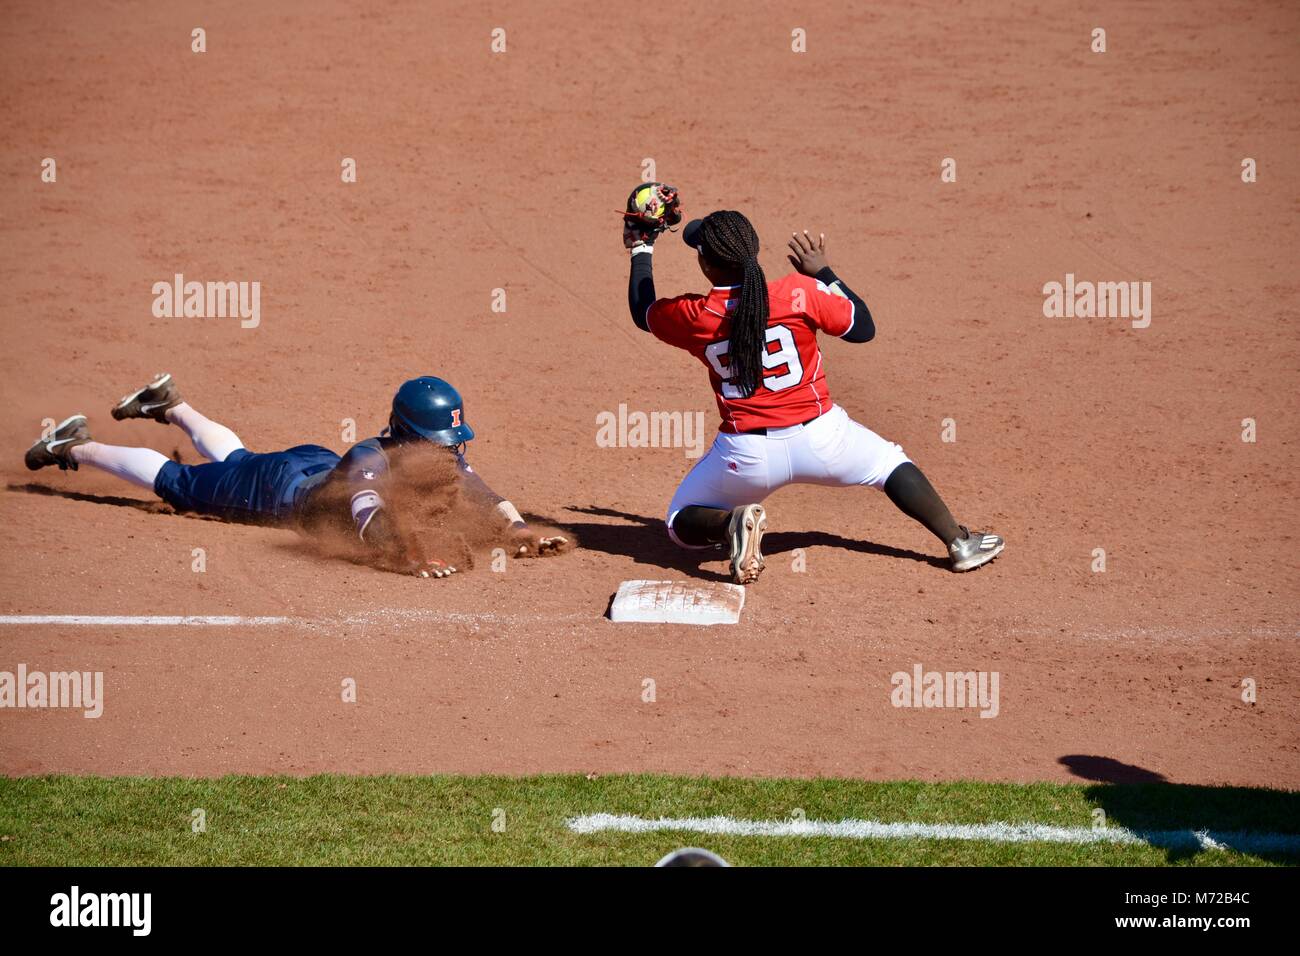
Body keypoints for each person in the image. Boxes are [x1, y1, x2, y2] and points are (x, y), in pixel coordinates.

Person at [624, 203, 1004, 584]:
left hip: (747, 457)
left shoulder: (696, 315)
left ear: (706, 266)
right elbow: (863, 327)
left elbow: (643, 311)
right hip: (825, 440)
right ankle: (959, 543)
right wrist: (823, 272)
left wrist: (642, 246)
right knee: (889, 464)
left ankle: (731, 524)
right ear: (753, 251)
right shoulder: (799, 293)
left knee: (679, 519)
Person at [24, 373, 564, 576]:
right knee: (181, 486)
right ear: (409, 432)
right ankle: (76, 444)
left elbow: (476, 486)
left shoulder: (423, 453)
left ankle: (172, 406)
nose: (447, 452)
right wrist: (410, 554)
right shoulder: (369, 461)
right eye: (439, 441)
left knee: (235, 460)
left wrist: (513, 526)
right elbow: (366, 520)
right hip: (275, 492)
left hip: (308, 464)